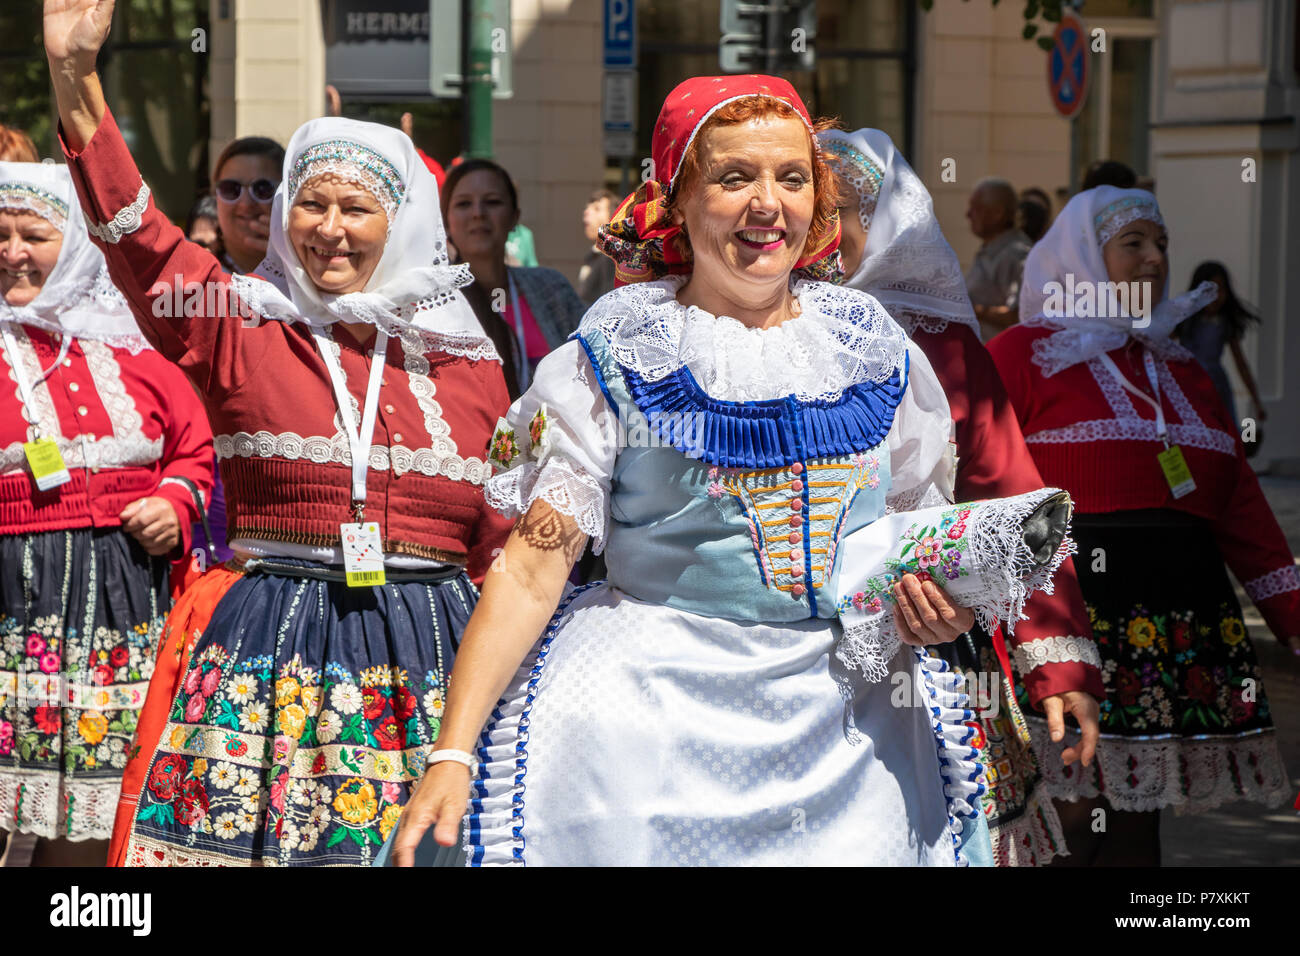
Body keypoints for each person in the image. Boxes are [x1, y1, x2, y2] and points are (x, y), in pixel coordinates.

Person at [388, 74, 1087, 868]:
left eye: (792, 178)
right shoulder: (615, 352)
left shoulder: (876, 348)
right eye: (733, 178)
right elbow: (531, 566)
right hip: (647, 723)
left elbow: (903, 534)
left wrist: (933, 606)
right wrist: (452, 753)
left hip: (851, 734)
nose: (769, 204)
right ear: (676, 201)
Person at [46, 2, 514, 865]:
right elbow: (135, 236)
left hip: (433, 659)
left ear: (401, 223)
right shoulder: (237, 319)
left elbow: (501, 543)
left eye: (357, 209)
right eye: (311, 203)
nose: (329, 228)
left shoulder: (467, 361)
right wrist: (75, 76)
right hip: (273, 642)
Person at [988, 186, 1300, 866]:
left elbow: (1239, 505)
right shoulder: (1022, 355)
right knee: (1065, 816)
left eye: (1161, 244)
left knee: (1134, 820)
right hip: (1065, 623)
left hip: (1172, 632)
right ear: (1082, 258)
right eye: (1134, 244)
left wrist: (1293, 614)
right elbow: (982, 487)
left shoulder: (1181, 369)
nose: (1155, 259)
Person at [822, 127, 1102, 866]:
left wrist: (1058, 663)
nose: (811, 229)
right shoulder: (733, 333)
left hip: (931, 640)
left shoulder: (941, 349)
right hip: (775, 649)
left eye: (835, 210)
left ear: (881, 225)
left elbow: (1013, 500)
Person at [0, 161, 214, 865]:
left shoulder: (130, 344)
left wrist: (174, 502)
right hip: (12, 597)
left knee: (90, 802)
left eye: (34, 233)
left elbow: (194, 446)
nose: (13, 251)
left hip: (121, 600)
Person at [441, 158, 585, 399]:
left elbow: (592, 370)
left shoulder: (551, 288)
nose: (478, 213)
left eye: (492, 202)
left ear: (514, 216)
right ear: (445, 221)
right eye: (464, 204)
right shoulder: (431, 303)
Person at [1177, 261, 1265, 429]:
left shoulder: (1224, 324)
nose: (1215, 298)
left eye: (1220, 290)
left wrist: (1256, 399)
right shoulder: (1184, 321)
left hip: (1215, 386)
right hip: (1187, 383)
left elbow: (1241, 364)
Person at [964, 177, 1031, 341]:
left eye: (976, 208)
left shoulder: (1015, 255)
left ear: (997, 214)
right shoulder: (991, 249)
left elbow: (1020, 316)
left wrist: (971, 309)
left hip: (1000, 360)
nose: (968, 215)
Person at [209, 135, 284, 275]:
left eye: (262, 189)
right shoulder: (194, 276)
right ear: (215, 196)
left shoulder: (313, 275)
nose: (245, 204)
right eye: (231, 189)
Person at [576, 188, 617, 305]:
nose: (587, 212)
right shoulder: (593, 255)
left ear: (613, 218)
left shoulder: (611, 257)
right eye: (587, 207)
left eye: (597, 209)